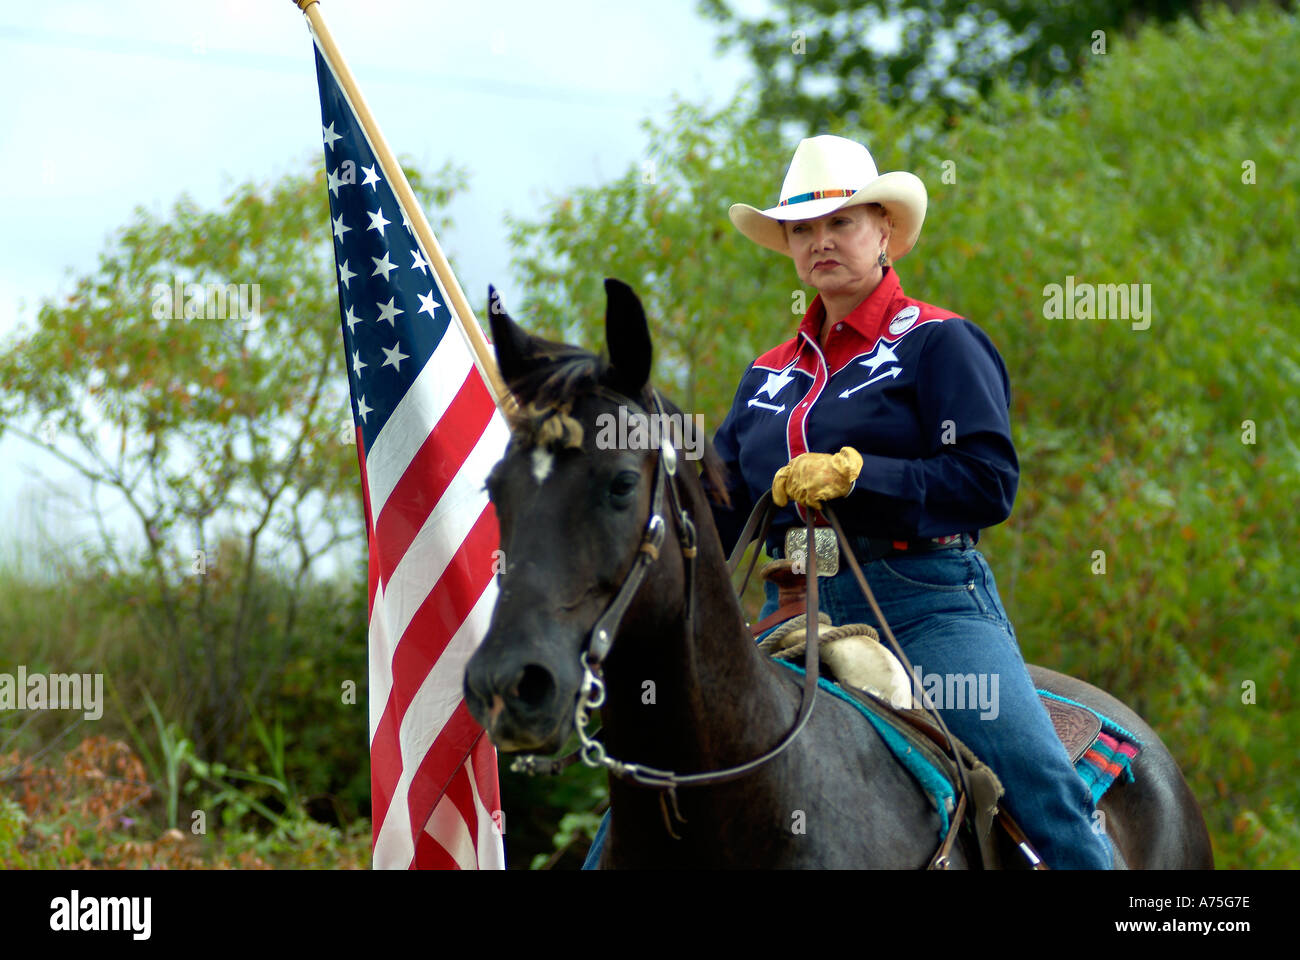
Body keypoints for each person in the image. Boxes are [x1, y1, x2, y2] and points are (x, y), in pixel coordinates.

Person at [702, 134, 1114, 869]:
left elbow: (988, 482)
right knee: (664, 776)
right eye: (803, 229)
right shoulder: (766, 376)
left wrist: (865, 476)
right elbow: (719, 512)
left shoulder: (939, 342)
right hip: (790, 610)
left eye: (842, 223)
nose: (821, 241)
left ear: (885, 230)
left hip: (922, 603)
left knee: (1042, 787)